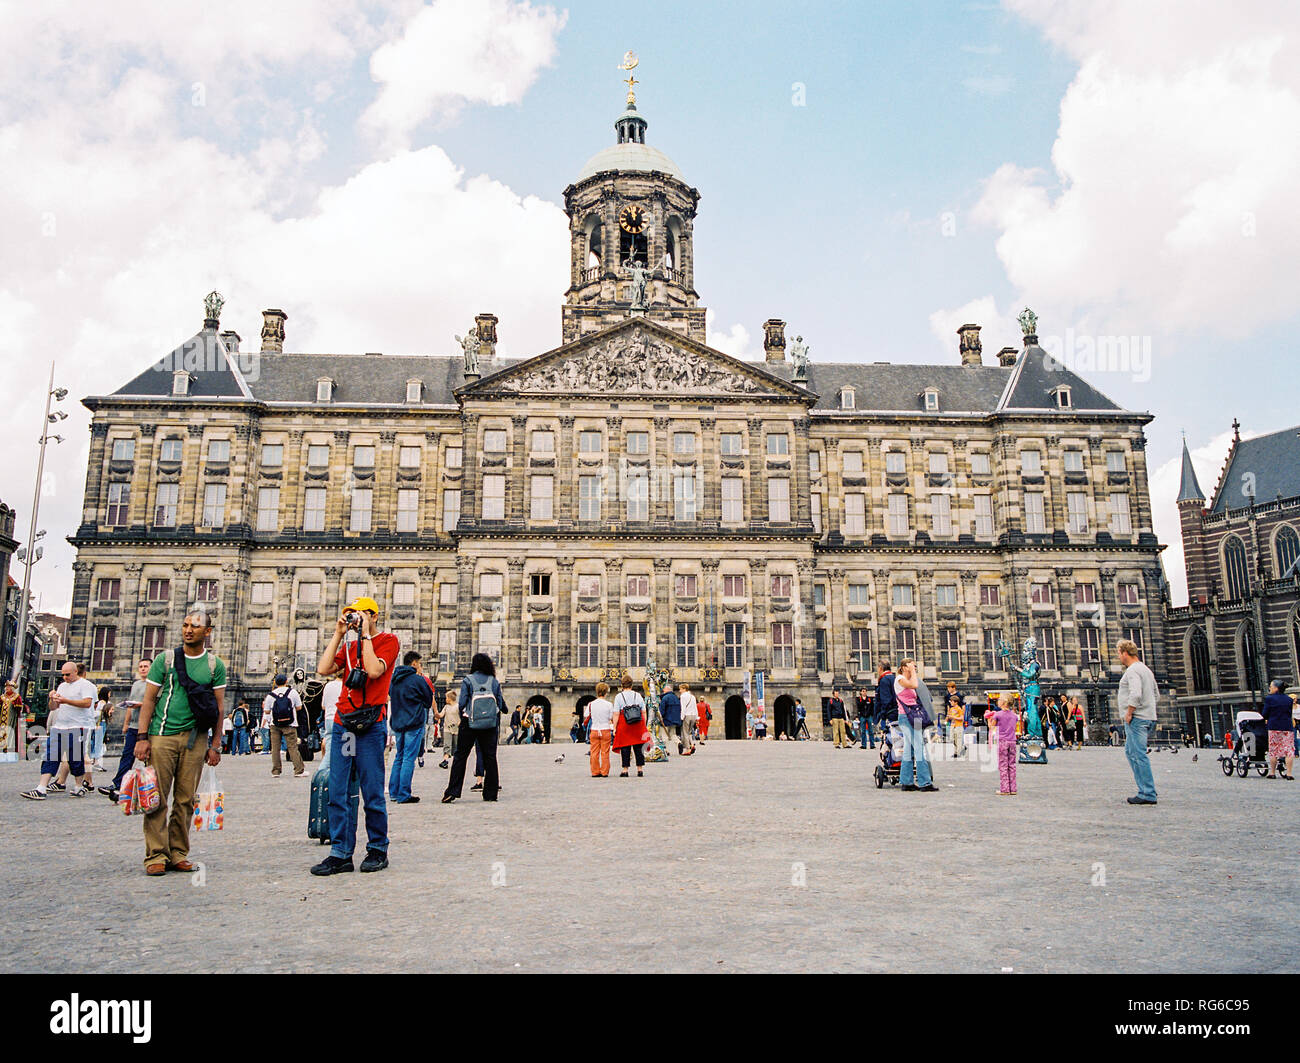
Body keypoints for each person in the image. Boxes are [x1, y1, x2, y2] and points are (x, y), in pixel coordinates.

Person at [130, 612, 225, 875]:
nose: (188, 630)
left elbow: (218, 706)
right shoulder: (165, 659)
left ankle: (178, 852)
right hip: (162, 735)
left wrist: (215, 744)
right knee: (156, 798)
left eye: (195, 626)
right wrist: (142, 736)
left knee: (186, 800)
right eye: (185, 625)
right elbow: (149, 700)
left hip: (196, 738)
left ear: (207, 631)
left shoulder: (214, 665)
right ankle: (155, 855)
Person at [311, 595, 400, 876]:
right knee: (338, 790)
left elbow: (374, 670)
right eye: (351, 615)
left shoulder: (388, 641)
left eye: (360, 614)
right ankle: (340, 852)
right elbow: (324, 669)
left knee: (372, 791)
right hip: (344, 725)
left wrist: (365, 637)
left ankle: (377, 849)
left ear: (374, 616)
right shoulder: (348, 646)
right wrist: (338, 635)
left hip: (371, 725)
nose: (355, 619)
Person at [21, 660, 97, 800]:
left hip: (78, 725)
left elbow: (87, 703)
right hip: (60, 725)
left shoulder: (86, 685)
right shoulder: (62, 686)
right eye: (63, 674)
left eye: (67, 674)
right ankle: (41, 788)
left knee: (76, 758)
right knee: (51, 755)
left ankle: (79, 786)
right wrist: (52, 699)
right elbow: (53, 707)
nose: (65, 677)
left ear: (75, 672)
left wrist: (65, 700)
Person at [442, 652, 508, 803]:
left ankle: (452, 791)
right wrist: (503, 710)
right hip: (489, 724)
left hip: (470, 723)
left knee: (460, 756)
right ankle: (491, 793)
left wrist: (464, 715)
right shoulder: (493, 681)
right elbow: (500, 703)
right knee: (490, 757)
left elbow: (463, 702)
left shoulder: (468, 680)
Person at [99, 659, 151, 801]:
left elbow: (155, 703)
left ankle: (150, 787)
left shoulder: (154, 685)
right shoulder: (135, 684)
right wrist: (126, 723)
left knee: (149, 758)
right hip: (134, 726)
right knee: (127, 756)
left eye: (146, 666)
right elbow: (130, 705)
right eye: (140, 666)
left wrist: (140, 704)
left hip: (148, 726)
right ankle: (117, 785)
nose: (142, 669)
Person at [388, 650, 435, 803]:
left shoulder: (394, 679)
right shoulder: (417, 680)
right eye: (420, 664)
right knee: (409, 758)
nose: (421, 667)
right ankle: (403, 794)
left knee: (399, 757)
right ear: (414, 664)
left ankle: (394, 792)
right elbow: (428, 701)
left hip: (398, 722)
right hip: (413, 722)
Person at [1116, 639, 1159, 806]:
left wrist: (1130, 712)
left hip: (1137, 719)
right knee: (1131, 752)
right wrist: (1149, 710)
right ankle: (1146, 789)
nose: (1119, 657)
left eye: (1119, 653)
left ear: (1125, 653)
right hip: (1147, 717)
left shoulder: (1133, 671)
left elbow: (1135, 694)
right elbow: (1156, 695)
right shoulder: (1146, 669)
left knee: (1138, 755)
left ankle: (1147, 792)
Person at [894, 659, 937, 792]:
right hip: (906, 718)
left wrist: (912, 671)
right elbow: (914, 685)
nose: (914, 668)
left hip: (914, 717)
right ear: (903, 667)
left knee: (909, 749)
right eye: (912, 665)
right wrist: (912, 671)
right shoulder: (899, 679)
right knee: (919, 747)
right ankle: (925, 782)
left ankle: (906, 781)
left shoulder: (908, 678)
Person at [263, 674, 305, 778]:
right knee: (292, 747)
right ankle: (298, 770)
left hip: (275, 724)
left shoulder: (270, 695)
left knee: (275, 748)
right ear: (286, 681)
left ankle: (276, 771)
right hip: (290, 723)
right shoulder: (293, 692)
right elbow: (299, 707)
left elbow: (267, 711)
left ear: (275, 683)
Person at [612, 675, 649, 776]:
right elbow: (644, 711)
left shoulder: (619, 696)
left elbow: (616, 713)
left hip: (625, 722)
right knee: (638, 746)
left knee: (625, 746)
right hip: (638, 722)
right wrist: (644, 725)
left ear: (622, 685)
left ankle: (625, 770)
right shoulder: (638, 695)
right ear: (632, 685)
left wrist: (614, 727)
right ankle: (640, 769)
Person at [987, 692, 1019, 795]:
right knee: (1012, 765)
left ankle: (1005, 789)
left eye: (1000, 699)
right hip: (1012, 741)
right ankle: (1013, 788)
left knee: (1003, 765)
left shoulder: (998, 714)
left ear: (1004, 702)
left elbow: (992, 727)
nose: (998, 701)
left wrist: (989, 720)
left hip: (1002, 741)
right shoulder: (1014, 716)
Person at [1262, 679, 1295, 780]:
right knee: (1289, 750)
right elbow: (1289, 713)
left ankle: (1272, 772)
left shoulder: (1269, 699)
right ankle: (1289, 774)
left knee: (1273, 750)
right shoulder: (1289, 699)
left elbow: (1265, 714)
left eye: (1271, 687)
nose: (1270, 688)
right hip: (1287, 727)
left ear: (1276, 688)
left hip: (1274, 726)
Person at [585, 682, 615, 777]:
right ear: (606, 692)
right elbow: (611, 717)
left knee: (594, 752)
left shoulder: (591, 704)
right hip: (605, 729)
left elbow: (586, 715)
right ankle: (604, 772)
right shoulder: (609, 704)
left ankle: (595, 771)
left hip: (594, 729)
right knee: (605, 752)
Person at [875, 663, 897, 746]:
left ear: (881, 668)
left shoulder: (884, 680)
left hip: (889, 714)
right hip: (895, 711)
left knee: (889, 738)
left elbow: (886, 700)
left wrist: (882, 714)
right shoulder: (894, 678)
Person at [438, 690, 459, 768]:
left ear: (450, 698)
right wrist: (436, 714)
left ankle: (457, 762)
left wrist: (459, 723)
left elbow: (461, 717)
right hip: (447, 728)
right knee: (447, 745)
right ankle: (445, 761)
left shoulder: (457, 706)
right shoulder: (446, 707)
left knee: (456, 746)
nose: (445, 699)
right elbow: (441, 715)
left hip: (456, 729)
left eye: (446, 697)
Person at [0, 679, 23, 753]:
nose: (7, 688)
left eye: (9, 687)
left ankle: (7, 747)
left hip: (11, 718)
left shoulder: (16, 697)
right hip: (1, 718)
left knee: (9, 731)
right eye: (6, 687)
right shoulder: (2, 697)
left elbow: (19, 708)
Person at [659, 682, 682, 751]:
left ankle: (666, 750)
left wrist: (660, 717)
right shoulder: (676, 697)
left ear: (667, 689)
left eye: (664, 689)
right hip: (675, 719)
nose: (663, 690)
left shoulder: (665, 698)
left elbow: (662, 709)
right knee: (673, 734)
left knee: (664, 735)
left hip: (666, 719)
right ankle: (678, 742)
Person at [678, 682, 698, 754]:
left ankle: (687, 749)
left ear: (684, 689)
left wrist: (681, 717)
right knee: (689, 732)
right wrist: (696, 717)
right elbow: (695, 707)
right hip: (693, 715)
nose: (679, 691)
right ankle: (692, 745)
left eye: (680, 689)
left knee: (685, 733)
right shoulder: (692, 696)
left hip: (687, 715)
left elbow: (683, 707)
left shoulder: (683, 696)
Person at [946, 683, 965, 759]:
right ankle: (960, 749)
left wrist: (954, 717)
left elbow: (961, 717)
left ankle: (957, 752)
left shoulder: (959, 708)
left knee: (958, 739)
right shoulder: (951, 709)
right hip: (952, 725)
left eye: (951, 701)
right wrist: (947, 719)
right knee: (952, 739)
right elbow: (949, 714)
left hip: (958, 725)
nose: (950, 703)